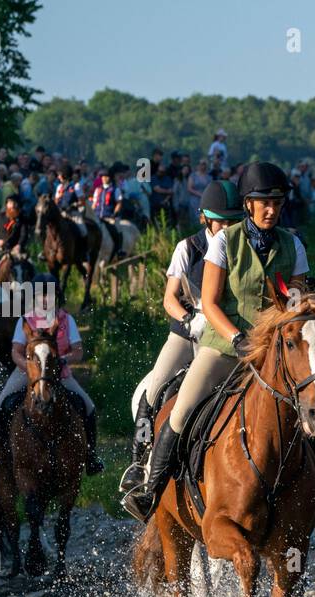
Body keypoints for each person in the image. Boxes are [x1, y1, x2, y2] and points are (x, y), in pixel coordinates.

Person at [122, 161, 314, 522]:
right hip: (224, 347)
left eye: (277, 202)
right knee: (180, 411)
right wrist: (237, 337)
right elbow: (208, 302)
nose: (271, 209)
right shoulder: (225, 242)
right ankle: (151, 492)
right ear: (249, 204)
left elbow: (296, 303)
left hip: (274, 353)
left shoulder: (293, 246)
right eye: (263, 202)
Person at [118, 179, 243, 495]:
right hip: (188, 334)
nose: (227, 227)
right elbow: (169, 298)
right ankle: (139, 462)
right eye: (222, 221)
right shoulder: (188, 248)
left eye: (233, 221)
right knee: (157, 385)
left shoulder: (243, 250)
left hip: (227, 335)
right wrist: (190, 319)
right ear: (205, 218)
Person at [0, 274, 104, 475]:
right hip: (26, 374)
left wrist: (64, 360)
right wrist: (28, 367)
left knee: (88, 406)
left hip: (59, 373)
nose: (45, 299)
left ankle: (90, 456)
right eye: (41, 295)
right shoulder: (25, 319)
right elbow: (15, 351)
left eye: (49, 295)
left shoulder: (66, 319)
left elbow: (78, 351)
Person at [0, 195, 29, 263]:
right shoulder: (0, 216)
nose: (12, 206)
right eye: (10, 203)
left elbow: (24, 234)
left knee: (30, 267)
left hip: (16, 250)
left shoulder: (22, 219)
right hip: (0, 250)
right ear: (6, 205)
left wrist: (19, 245)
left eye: (14, 203)